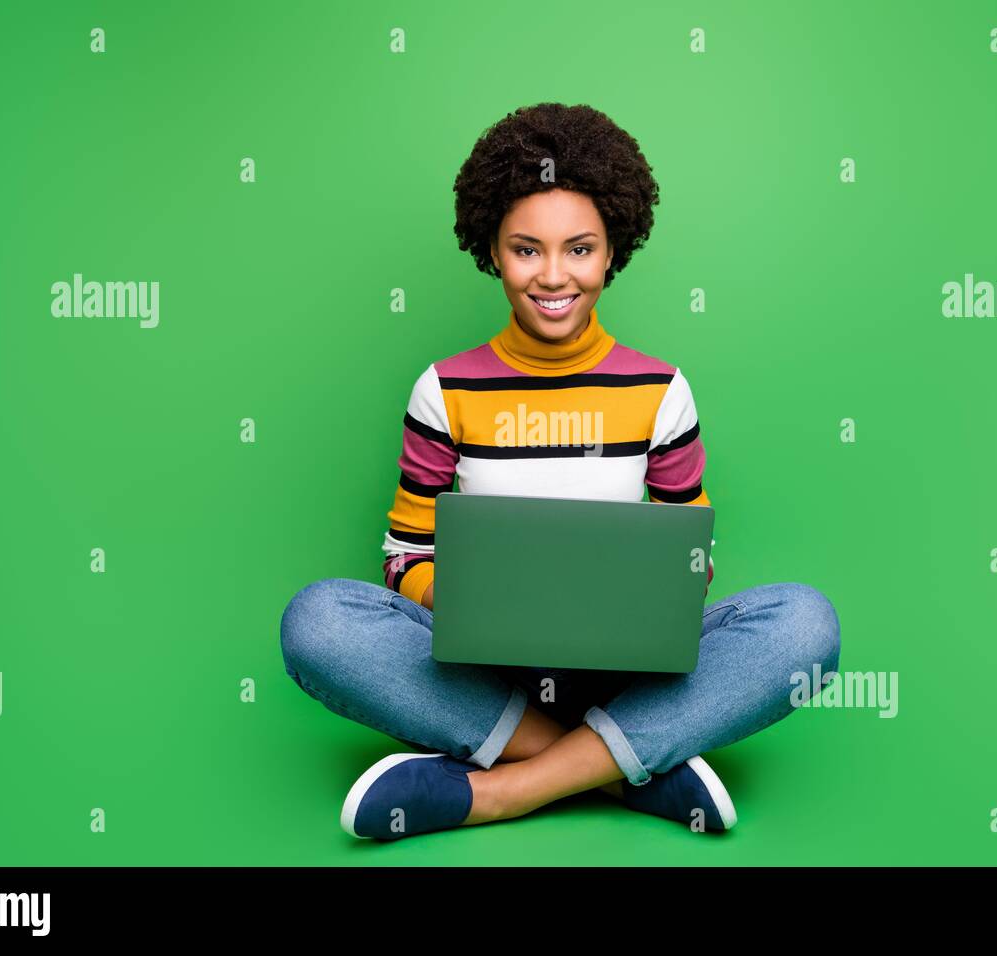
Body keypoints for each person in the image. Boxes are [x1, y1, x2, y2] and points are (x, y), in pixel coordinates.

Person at [280, 103, 841, 841]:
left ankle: (499, 792)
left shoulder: (661, 391)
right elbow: (404, 556)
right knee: (317, 622)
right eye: (526, 250)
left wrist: (648, 597)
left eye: (579, 249)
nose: (553, 276)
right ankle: (621, 768)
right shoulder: (443, 390)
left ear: (613, 252)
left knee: (804, 626)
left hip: (625, 674)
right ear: (492, 251)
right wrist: (475, 601)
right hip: (489, 678)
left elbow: (691, 558)